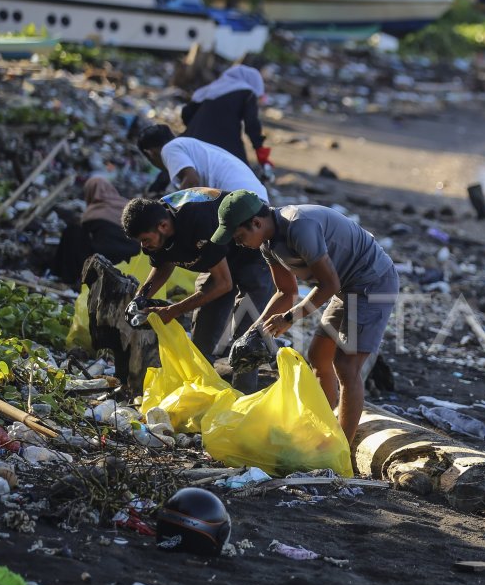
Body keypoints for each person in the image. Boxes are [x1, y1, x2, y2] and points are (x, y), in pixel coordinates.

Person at [210, 190, 399, 467]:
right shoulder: (268, 244)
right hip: (345, 288)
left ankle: (340, 451)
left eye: (239, 236)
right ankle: (321, 427)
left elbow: (329, 284)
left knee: (346, 366)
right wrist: (255, 331)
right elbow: (285, 292)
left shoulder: (299, 226)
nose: (238, 243)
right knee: (318, 356)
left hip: (372, 283)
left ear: (256, 223)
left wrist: (289, 318)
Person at [121, 190, 274, 393]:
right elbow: (163, 263)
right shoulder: (155, 222)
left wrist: (173, 310)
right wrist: (140, 298)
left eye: (146, 240)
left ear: (163, 226)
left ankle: (244, 401)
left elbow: (223, 284)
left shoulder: (197, 220)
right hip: (216, 262)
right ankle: (203, 395)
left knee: (245, 341)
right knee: (201, 340)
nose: (144, 246)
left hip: (252, 255)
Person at [50, 176, 139, 284]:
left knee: (72, 231)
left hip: (103, 261)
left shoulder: (93, 212)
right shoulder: (126, 206)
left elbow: (84, 234)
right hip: (131, 261)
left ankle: (66, 278)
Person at [181, 65, 271, 170]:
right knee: (242, 173)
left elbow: (186, 113)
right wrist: (259, 147)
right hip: (224, 145)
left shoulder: (210, 89)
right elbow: (251, 122)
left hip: (192, 142)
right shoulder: (247, 92)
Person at [136, 124, 265, 197]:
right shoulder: (189, 145)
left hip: (240, 198)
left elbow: (192, 179)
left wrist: (174, 206)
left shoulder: (169, 149)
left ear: (150, 153)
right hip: (256, 198)